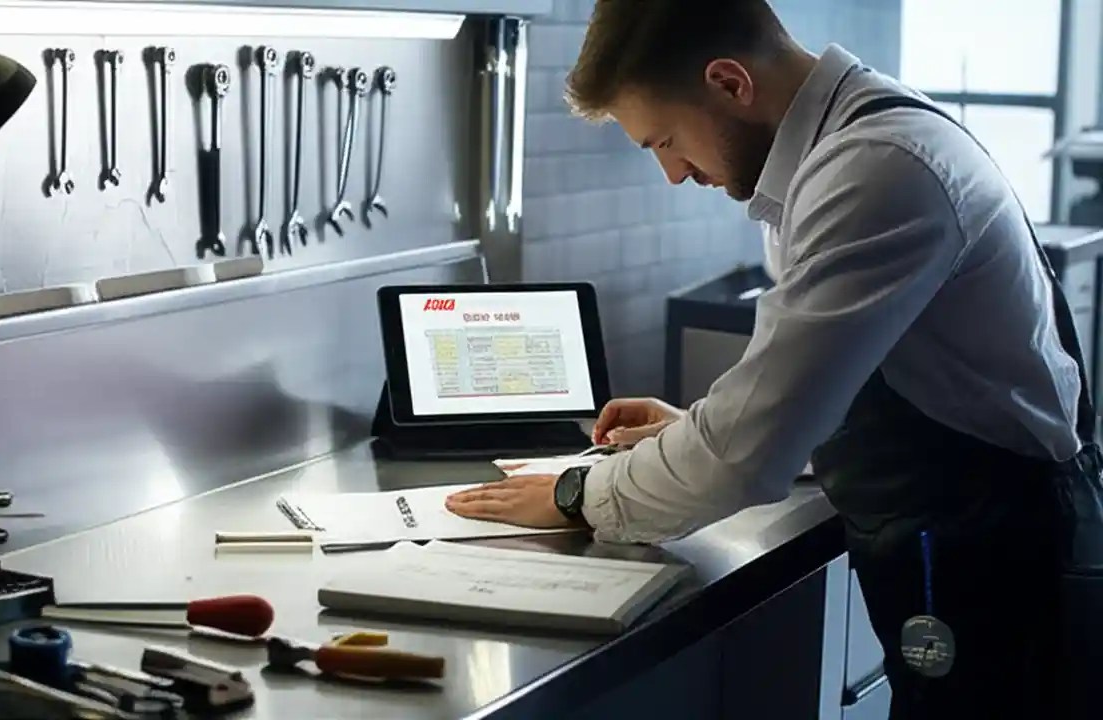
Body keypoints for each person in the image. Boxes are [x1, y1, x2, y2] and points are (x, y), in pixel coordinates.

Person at [445, 1, 1103, 717]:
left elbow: (747, 455)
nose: (673, 173)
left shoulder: (874, 170)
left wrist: (578, 493)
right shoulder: (841, 151)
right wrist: (695, 427)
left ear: (729, 83)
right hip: (970, 548)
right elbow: (826, 388)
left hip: (1003, 568)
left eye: (666, 140)